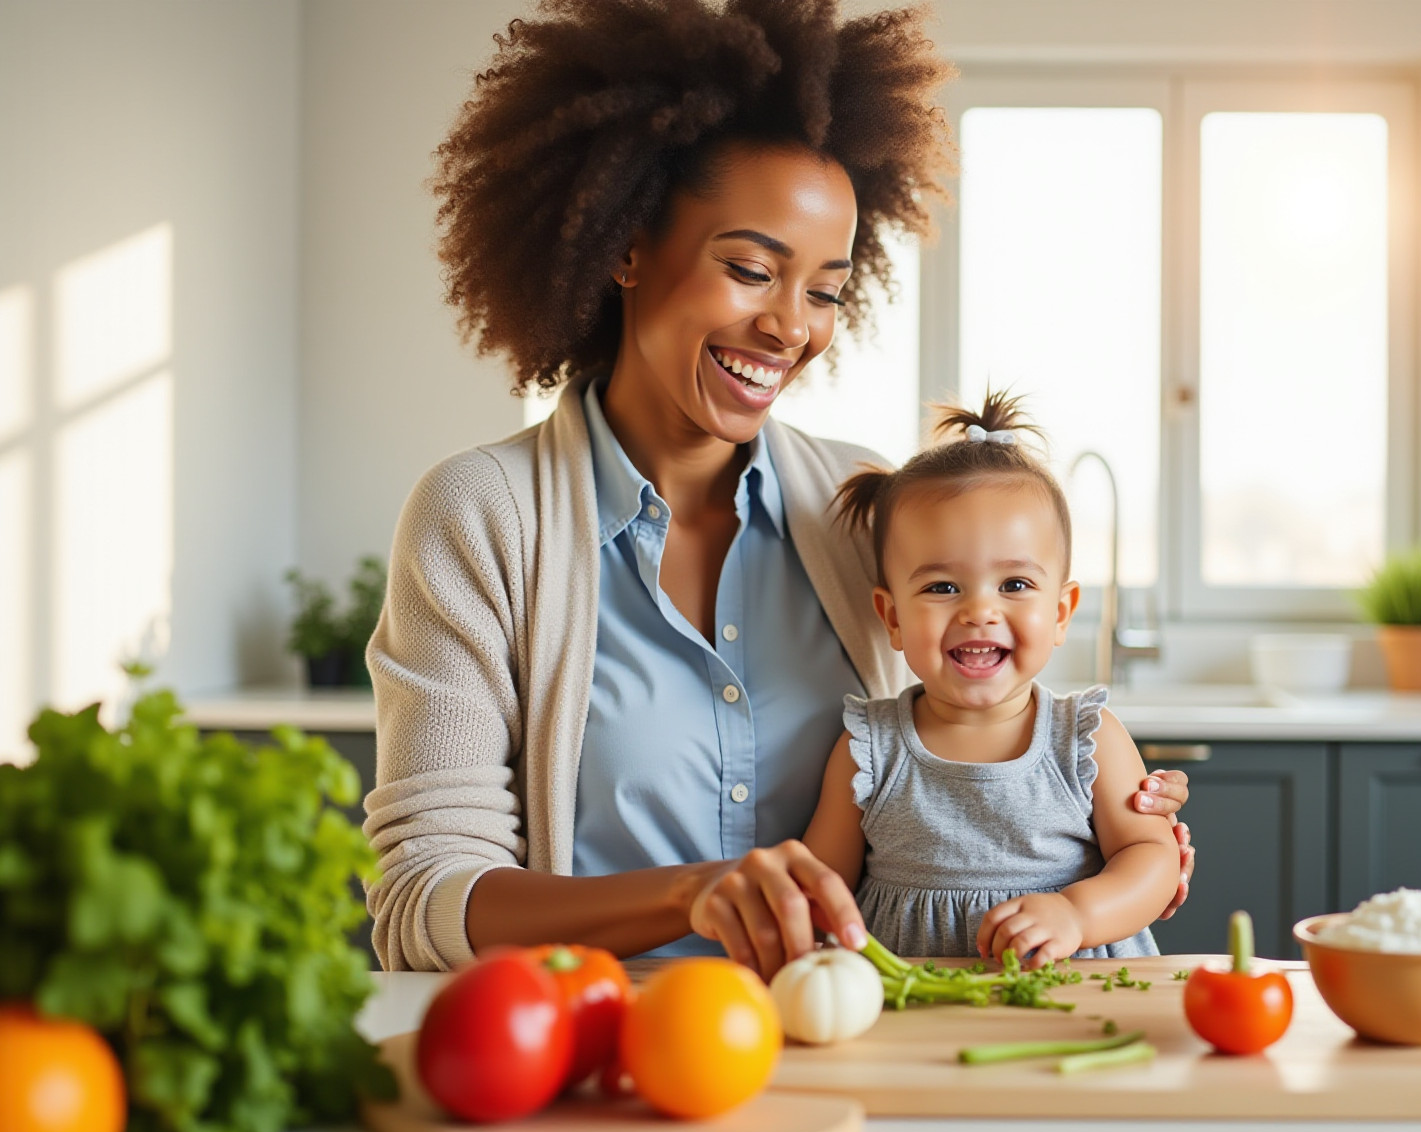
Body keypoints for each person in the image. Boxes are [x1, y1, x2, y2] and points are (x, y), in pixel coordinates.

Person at [362, 0, 1194, 976]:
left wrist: (1104, 842)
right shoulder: (481, 517)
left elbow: (976, 723)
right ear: (625, 243)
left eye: (825, 290)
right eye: (751, 269)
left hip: (839, 1030)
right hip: (609, 1030)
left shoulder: (858, 505)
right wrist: (688, 893)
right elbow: (422, 899)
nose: (792, 327)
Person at [805, 395, 1177, 963]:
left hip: (1075, 998)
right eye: (942, 587)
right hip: (918, 1006)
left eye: (1014, 585)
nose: (979, 611)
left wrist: (1077, 914)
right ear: (893, 617)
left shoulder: (1087, 738)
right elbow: (819, 886)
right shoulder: (867, 751)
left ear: (1060, 612)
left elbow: (1152, 858)